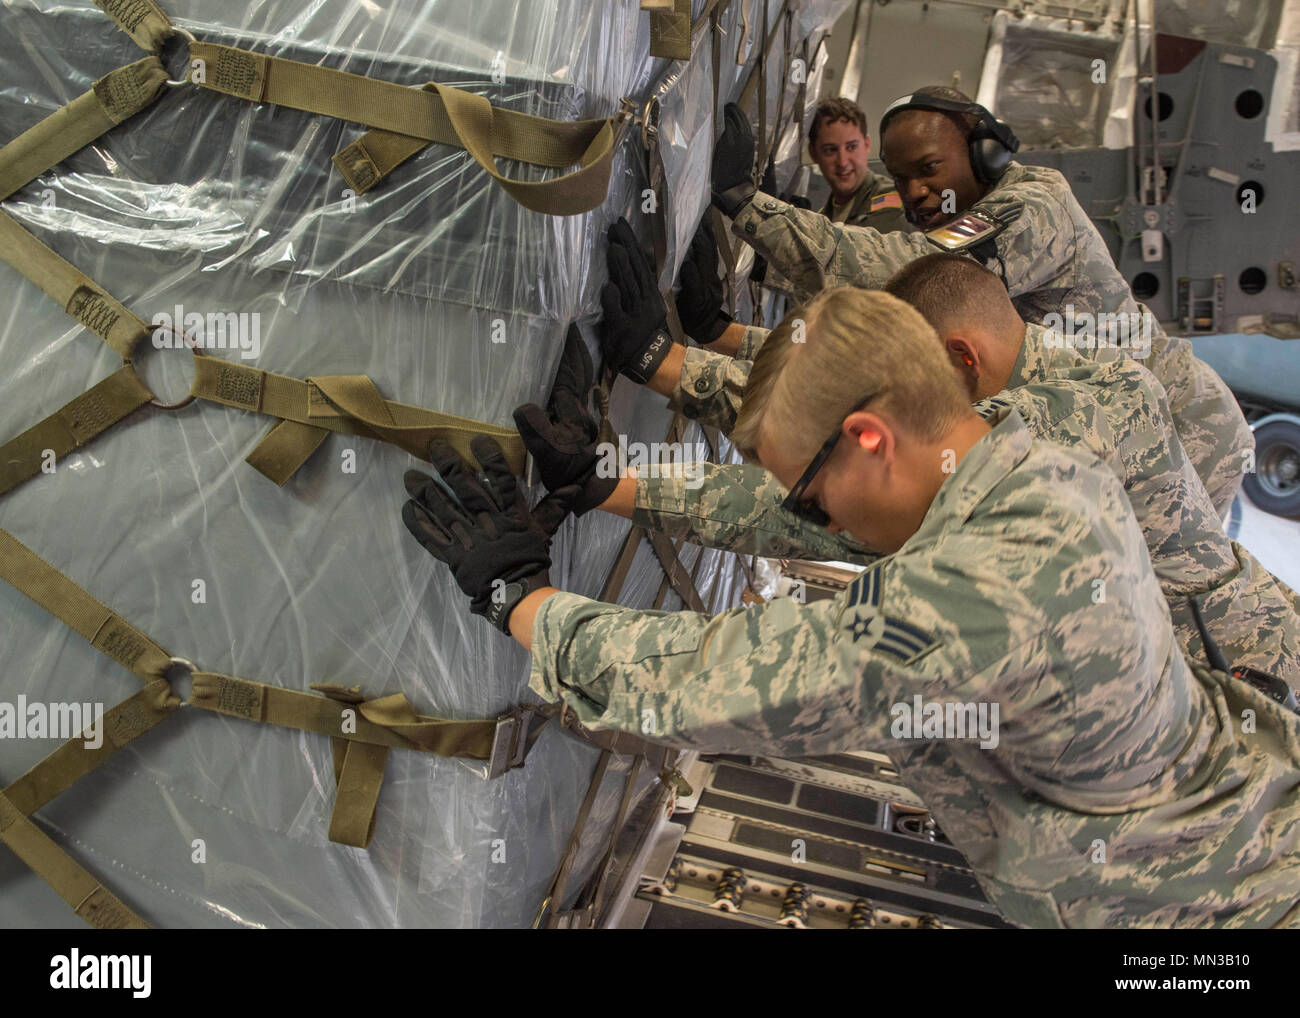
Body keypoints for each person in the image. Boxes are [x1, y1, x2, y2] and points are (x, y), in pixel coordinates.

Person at [401, 288, 1300, 928]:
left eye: (812, 494)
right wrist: (615, 483)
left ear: (870, 438)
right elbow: (837, 528)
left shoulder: (991, 596)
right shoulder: (1024, 463)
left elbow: (742, 679)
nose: (814, 521)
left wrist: (522, 601)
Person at [530, 240, 1300, 694]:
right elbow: (842, 429)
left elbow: (827, 495)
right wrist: (675, 361)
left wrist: (626, 448)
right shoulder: (1091, 387)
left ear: (962, 359)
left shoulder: (1051, 454)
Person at [706, 87, 1252, 515]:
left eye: (928, 169)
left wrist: (747, 206)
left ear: (985, 154)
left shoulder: (1033, 208)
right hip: (1107, 419)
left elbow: (904, 273)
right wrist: (721, 333)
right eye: (899, 177)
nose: (915, 191)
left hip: (1188, 430)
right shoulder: (966, 216)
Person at [805, 97, 909, 231]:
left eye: (851, 147)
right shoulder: (822, 218)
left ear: (867, 145)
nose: (842, 162)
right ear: (813, 154)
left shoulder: (892, 204)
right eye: (830, 150)